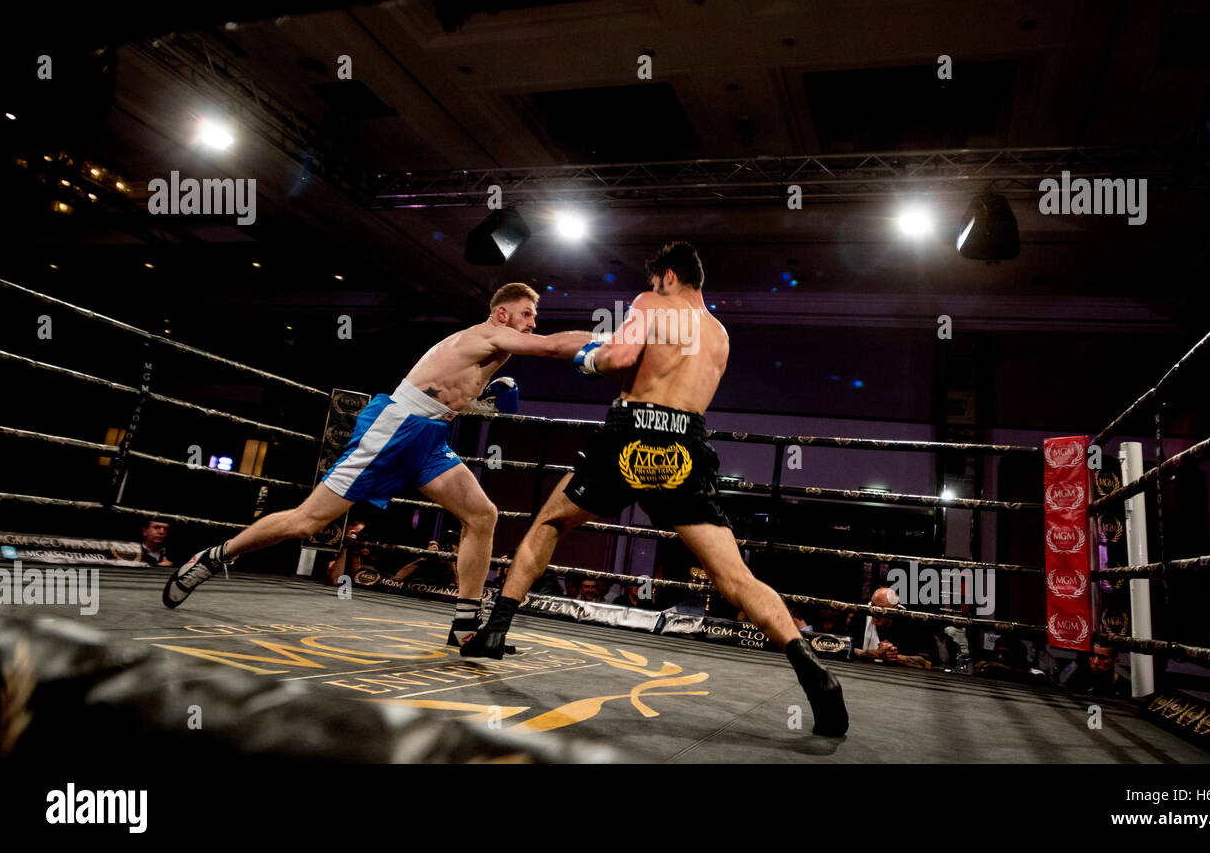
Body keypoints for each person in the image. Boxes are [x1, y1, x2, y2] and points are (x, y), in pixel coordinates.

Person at [460, 242, 848, 736]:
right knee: (733, 577)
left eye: (653, 279)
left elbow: (620, 357)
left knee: (551, 522)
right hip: (684, 444)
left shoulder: (651, 303)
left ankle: (494, 631)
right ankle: (813, 673)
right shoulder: (719, 335)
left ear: (666, 275)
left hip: (630, 433)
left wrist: (587, 360)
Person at [163, 283, 595, 649]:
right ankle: (213, 556)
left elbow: (454, 391)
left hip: (429, 437)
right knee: (305, 523)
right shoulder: (487, 336)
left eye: (534, 316)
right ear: (503, 313)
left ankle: (464, 627)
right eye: (526, 314)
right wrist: (617, 340)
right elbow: (553, 347)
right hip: (396, 427)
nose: (532, 322)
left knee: (482, 515)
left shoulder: (493, 347)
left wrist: (478, 400)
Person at [850, 587, 941, 669]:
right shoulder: (862, 614)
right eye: (873, 606)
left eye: (881, 609)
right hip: (864, 674)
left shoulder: (913, 622)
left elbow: (930, 662)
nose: (875, 613)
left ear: (895, 608)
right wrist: (876, 654)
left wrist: (895, 657)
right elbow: (843, 646)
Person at [1059, 642, 1131, 697]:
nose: (1095, 662)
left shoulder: (1125, 688)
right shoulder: (1080, 680)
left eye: (1102, 657)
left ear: (1114, 661)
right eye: (1092, 656)